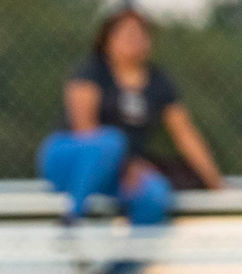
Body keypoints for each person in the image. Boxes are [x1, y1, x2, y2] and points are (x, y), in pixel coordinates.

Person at [38, 6, 224, 229]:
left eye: (140, 34)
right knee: (111, 141)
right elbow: (84, 130)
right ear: (107, 38)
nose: (134, 40)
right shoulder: (90, 72)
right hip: (75, 159)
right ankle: (74, 220)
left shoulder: (159, 82)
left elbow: (187, 136)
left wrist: (217, 184)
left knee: (155, 192)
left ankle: (126, 263)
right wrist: (125, 164)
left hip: (122, 173)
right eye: (126, 34)